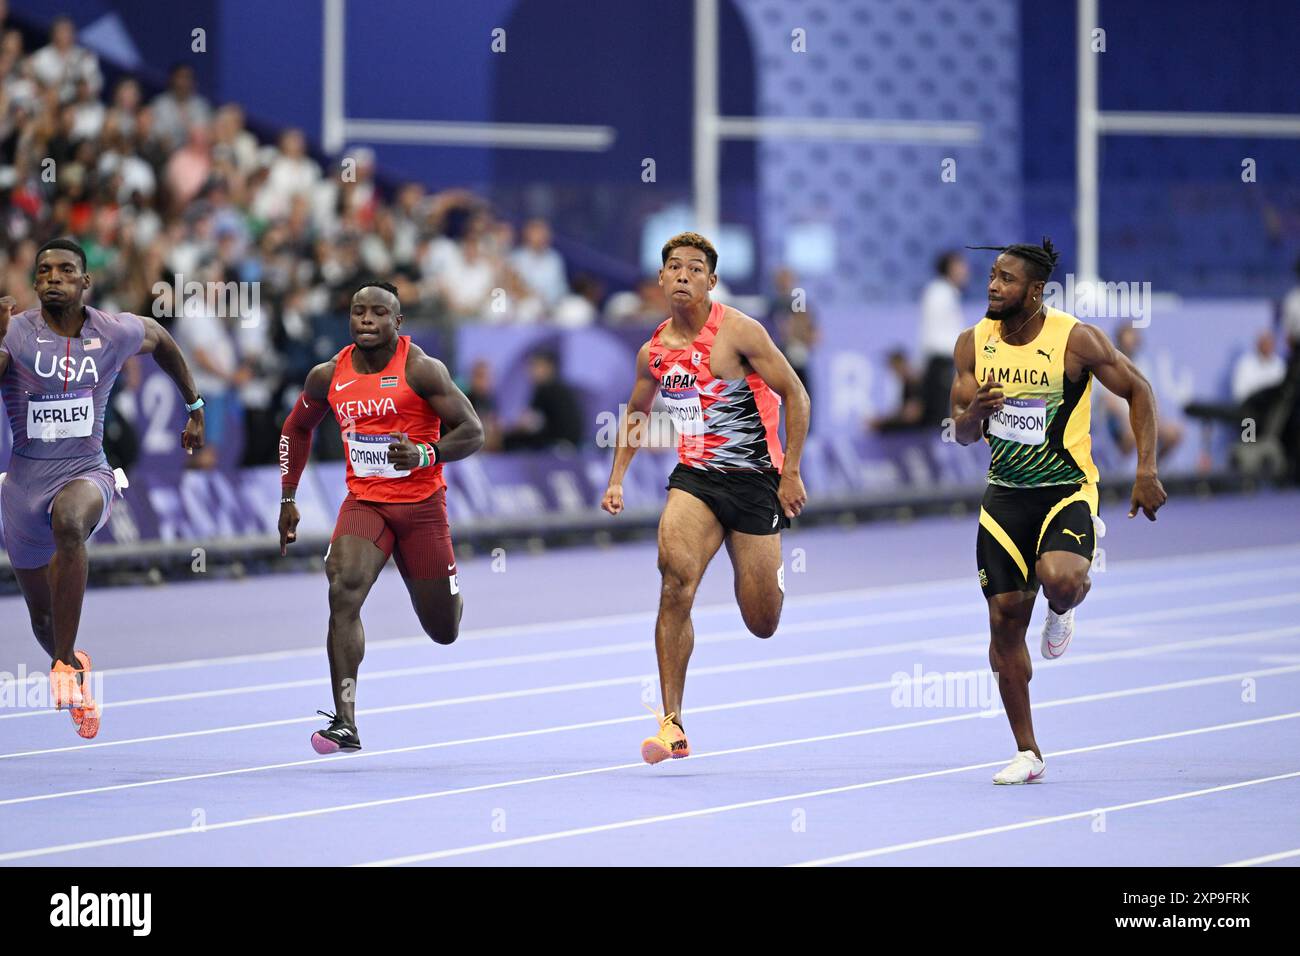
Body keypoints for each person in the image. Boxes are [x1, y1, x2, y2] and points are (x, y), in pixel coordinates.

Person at [951, 238, 1167, 784]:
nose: (993, 286)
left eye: (1005, 279)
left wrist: (1145, 471)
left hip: (1066, 489)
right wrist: (973, 411)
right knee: (1003, 624)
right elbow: (962, 433)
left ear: (1035, 290)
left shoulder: (1075, 340)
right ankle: (1027, 751)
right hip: (1004, 495)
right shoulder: (972, 343)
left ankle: (1065, 603)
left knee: (1060, 578)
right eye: (991, 276)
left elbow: (1138, 390)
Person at [601, 232, 810, 764]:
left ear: (711, 281)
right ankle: (672, 724)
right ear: (661, 279)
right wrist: (617, 478)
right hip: (695, 478)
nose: (684, 276)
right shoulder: (653, 352)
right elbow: (637, 413)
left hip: (755, 480)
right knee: (674, 581)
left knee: (761, 621)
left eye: (695, 269)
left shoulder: (740, 332)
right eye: (674, 268)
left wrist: (790, 471)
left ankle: (772, 576)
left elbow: (795, 394)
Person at [0, 238, 205, 739]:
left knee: (70, 522)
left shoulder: (111, 331)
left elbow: (160, 335)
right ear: (34, 282)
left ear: (84, 281)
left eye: (65, 270)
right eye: (44, 270)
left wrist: (195, 406)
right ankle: (70, 662)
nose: (53, 277)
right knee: (43, 618)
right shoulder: (15, 335)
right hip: (24, 486)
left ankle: (64, 672)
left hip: (87, 471)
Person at [278, 281, 484, 753]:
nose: (366, 321)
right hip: (365, 503)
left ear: (398, 322)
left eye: (378, 313)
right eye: (357, 313)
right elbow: (296, 428)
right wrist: (288, 497)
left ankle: (446, 591)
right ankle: (345, 720)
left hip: (421, 507)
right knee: (342, 589)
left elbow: (472, 431)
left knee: (444, 630)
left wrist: (426, 453)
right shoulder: (328, 375)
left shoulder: (422, 370)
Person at [919, 250, 969, 424]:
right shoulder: (940, 293)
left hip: (942, 362)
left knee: (941, 414)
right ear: (950, 268)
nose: (965, 270)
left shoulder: (946, 293)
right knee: (938, 416)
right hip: (941, 361)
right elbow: (935, 333)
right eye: (960, 266)